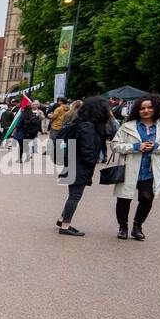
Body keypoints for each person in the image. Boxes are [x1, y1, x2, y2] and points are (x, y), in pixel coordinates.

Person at [110, 94, 160, 240]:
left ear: (156, 108)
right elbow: (114, 145)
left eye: (149, 107)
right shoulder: (127, 126)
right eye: (142, 108)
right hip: (129, 167)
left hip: (150, 169)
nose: (146, 110)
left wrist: (156, 147)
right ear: (137, 110)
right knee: (124, 198)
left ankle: (137, 226)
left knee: (146, 198)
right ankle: (123, 227)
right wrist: (135, 146)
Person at [57, 96, 111, 236]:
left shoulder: (83, 122)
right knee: (75, 196)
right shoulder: (88, 126)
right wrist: (91, 161)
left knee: (73, 195)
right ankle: (65, 225)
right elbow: (87, 148)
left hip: (75, 163)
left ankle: (63, 219)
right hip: (79, 164)